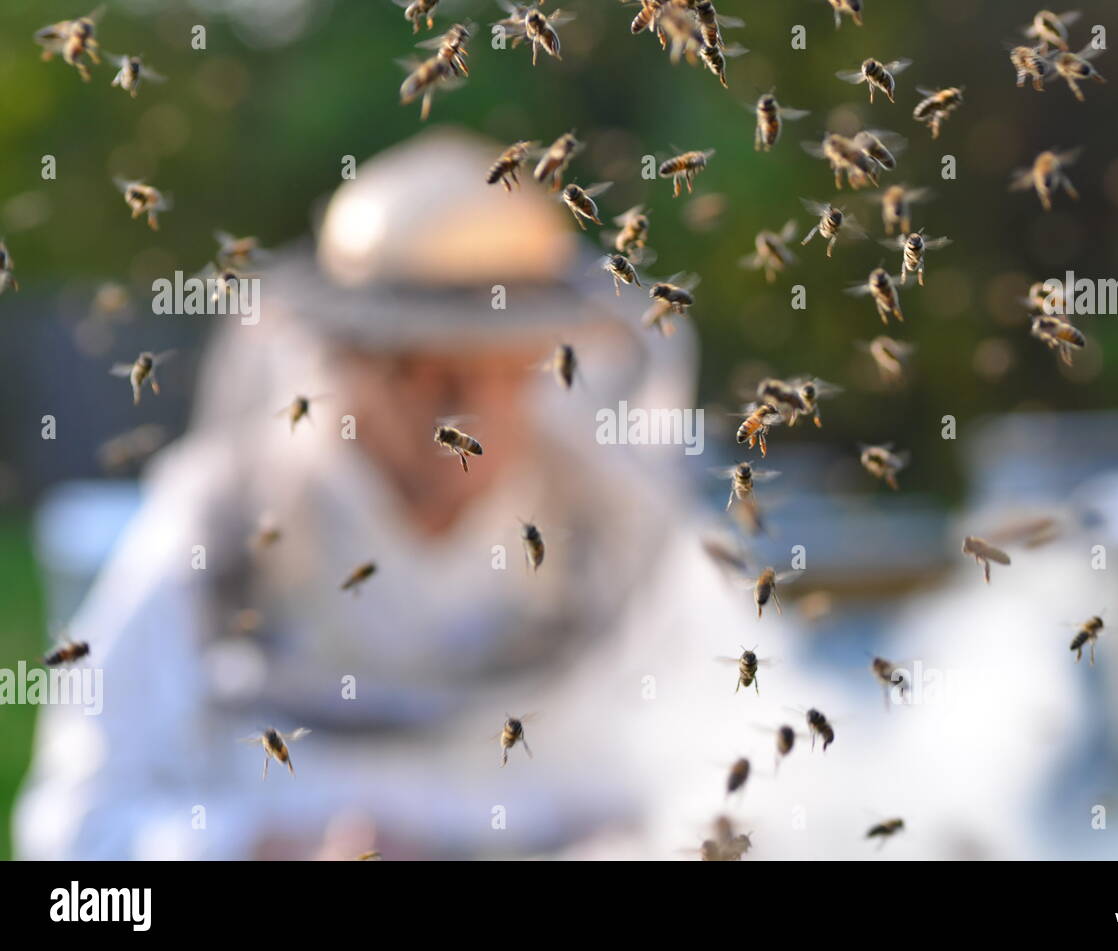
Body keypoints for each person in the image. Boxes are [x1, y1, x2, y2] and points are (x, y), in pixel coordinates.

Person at [16, 129, 870, 860]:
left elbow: (779, 795)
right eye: (411, 365)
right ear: (341, 358)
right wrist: (247, 848)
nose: (452, 405)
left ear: (541, 361)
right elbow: (73, 852)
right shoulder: (218, 523)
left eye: (488, 366)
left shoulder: (622, 531)